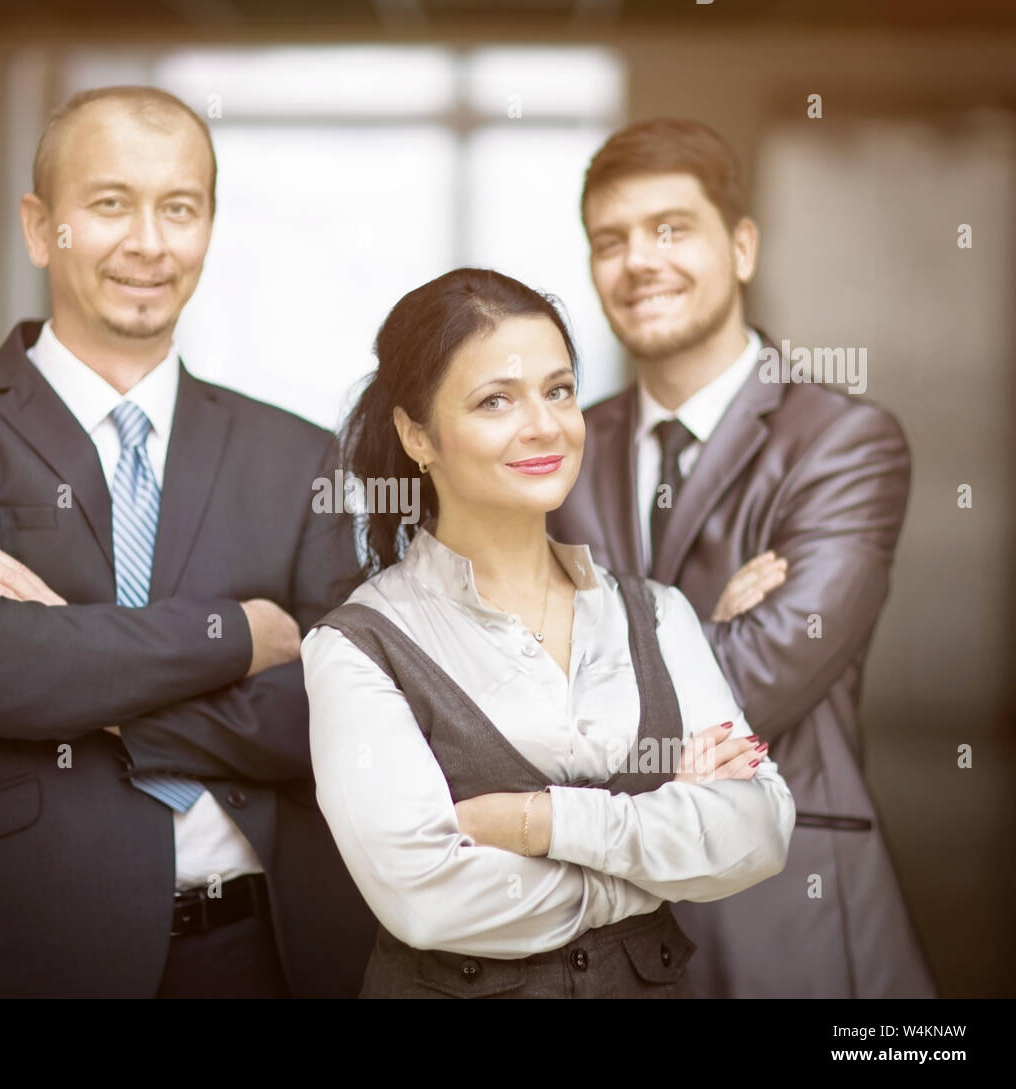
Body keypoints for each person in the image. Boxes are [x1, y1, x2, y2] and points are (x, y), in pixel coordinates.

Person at [0, 85, 376, 997]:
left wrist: (69, 643)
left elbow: (334, 715)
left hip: (261, 951)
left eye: (180, 207)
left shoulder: (301, 457)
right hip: (15, 943)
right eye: (109, 204)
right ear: (38, 226)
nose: (149, 242)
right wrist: (240, 636)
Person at [301, 267, 794, 998]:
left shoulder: (657, 612)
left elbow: (758, 829)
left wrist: (540, 821)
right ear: (416, 435)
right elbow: (426, 896)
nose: (544, 424)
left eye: (559, 390)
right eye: (495, 399)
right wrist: (654, 869)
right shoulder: (357, 646)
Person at [548, 118, 936, 997]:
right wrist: (701, 621)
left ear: (743, 246)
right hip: (602, 924)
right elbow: (514, 682)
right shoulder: (561, 448)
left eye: (672, 228)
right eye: (611, 240)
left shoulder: (842, 442)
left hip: (785, 912)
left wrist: (608, 665)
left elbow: (757, 685)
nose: (640, 260)